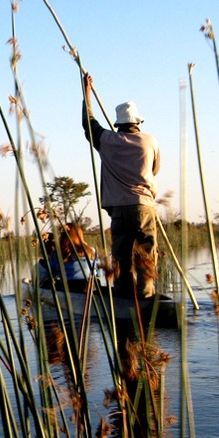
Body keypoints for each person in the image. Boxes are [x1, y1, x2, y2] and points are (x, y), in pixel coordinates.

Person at [82, 73, 160, 298]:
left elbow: (89, 123)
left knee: (122, 260)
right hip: (145, 207)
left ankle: (125, 300)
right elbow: (154, 170)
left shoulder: (107, 141)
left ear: (118, 124)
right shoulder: (150, 141)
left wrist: (87, 92)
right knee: (146, 257)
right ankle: (145, 298)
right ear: (137, 122)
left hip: (120, 211)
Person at [38, 223, 98, 293]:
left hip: (69, 290)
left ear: (63, 236)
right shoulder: (92, 251)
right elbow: (98, 272)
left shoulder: (57, 254)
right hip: (89, 289)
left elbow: (50, 273)